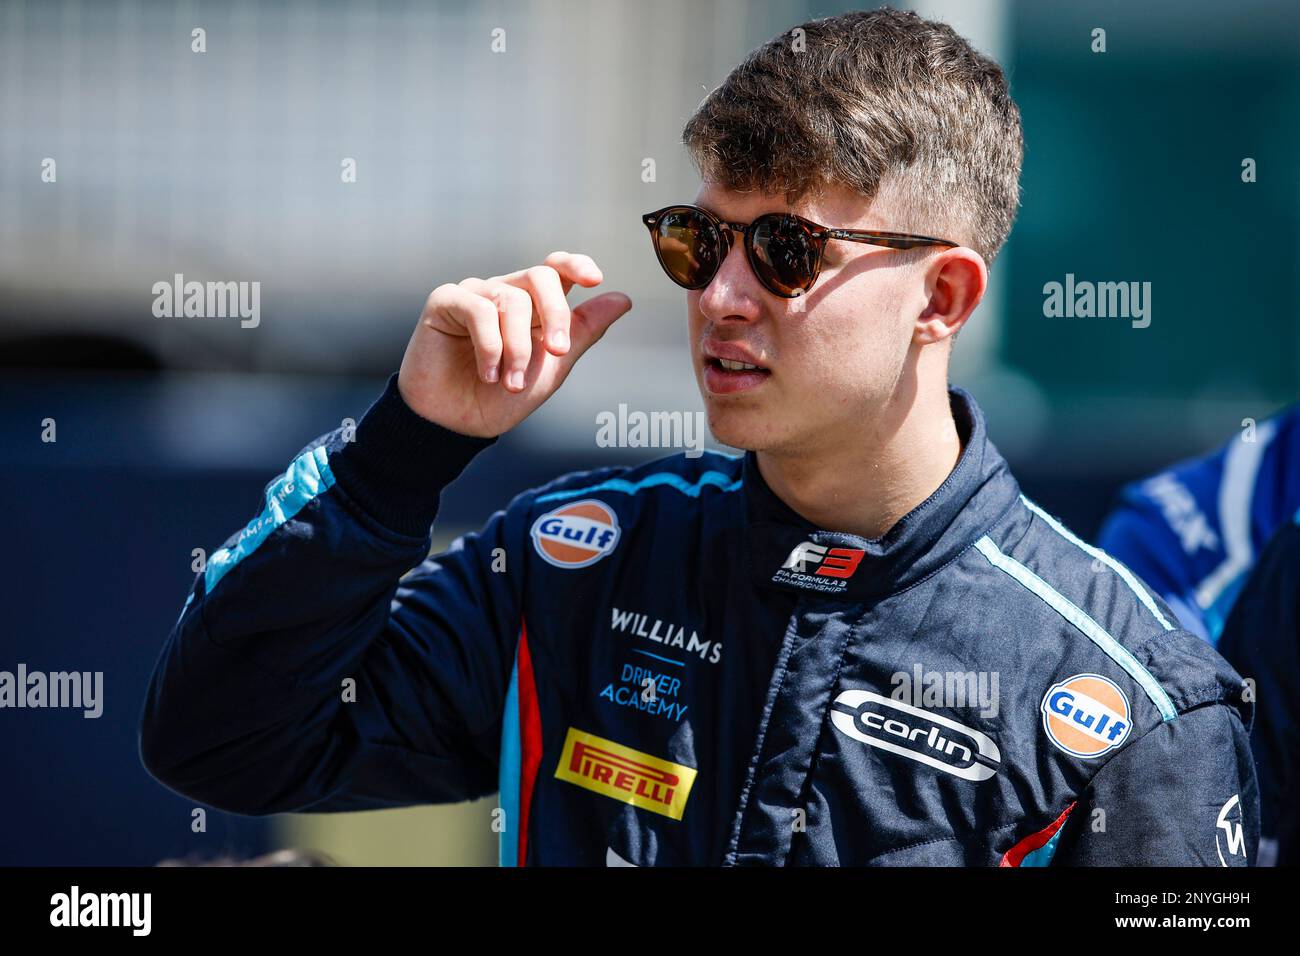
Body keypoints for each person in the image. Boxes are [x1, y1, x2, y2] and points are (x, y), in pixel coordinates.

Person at [140, 7, 1258, 866]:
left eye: (782, 250)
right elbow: (222, 740)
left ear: (945, 297)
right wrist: (403, 452)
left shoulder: (1135, 705)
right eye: (694, 241)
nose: (722, 294)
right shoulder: (572, 565)